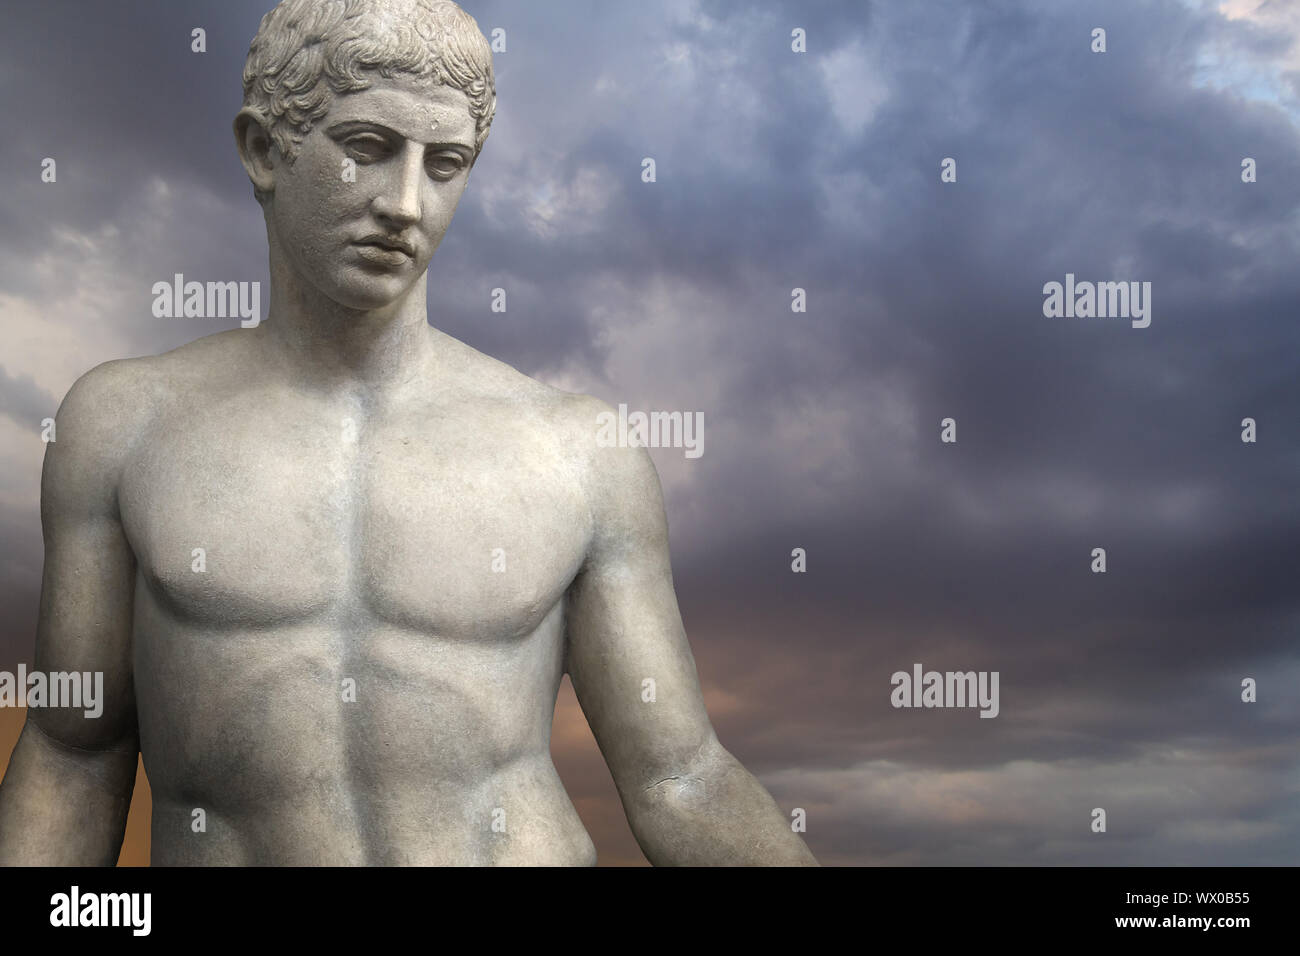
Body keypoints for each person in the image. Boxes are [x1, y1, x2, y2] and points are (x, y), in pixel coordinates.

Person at [0, 0, 817, 866]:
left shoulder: (580, 452)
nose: (405, 202)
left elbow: (680, 779)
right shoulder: (123, 425)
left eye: (447, 163)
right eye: (368, 147)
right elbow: (73, 753)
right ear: (262, 150)